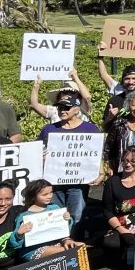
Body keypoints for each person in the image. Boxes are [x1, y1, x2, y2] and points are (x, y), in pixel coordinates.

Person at [38, 89, 103, 235]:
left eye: (66, 107)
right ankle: (57, 243)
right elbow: (37, 149)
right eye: (60, 107)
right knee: (54, 214)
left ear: (76, 109)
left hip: (78, 183)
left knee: (76, 215)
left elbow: (96, 153)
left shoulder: (90, 129)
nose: (62, 111)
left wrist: (101, 172)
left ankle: (75, 241)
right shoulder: (49, 129)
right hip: (53, 182)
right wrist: (40, 155)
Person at [9, 178, 81, 261]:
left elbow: (64, 230)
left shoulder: (54, 208)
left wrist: (67, 219)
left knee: (80, 246)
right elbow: (15, 244)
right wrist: (19, 234)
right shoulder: (24, 216)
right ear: (33, 196)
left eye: (51, 192)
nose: (49, 196)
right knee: (67, 250)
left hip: (54, 244)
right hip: (32, 250)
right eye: (45, 194)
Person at [28, 71, 94, 123]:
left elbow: (87, 97)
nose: (67, 95)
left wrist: (76, 77)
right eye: (65, 92)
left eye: (71, 93)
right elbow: (34, 105)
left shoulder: (82, 109)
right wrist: (36, 85)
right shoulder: (54, 110)